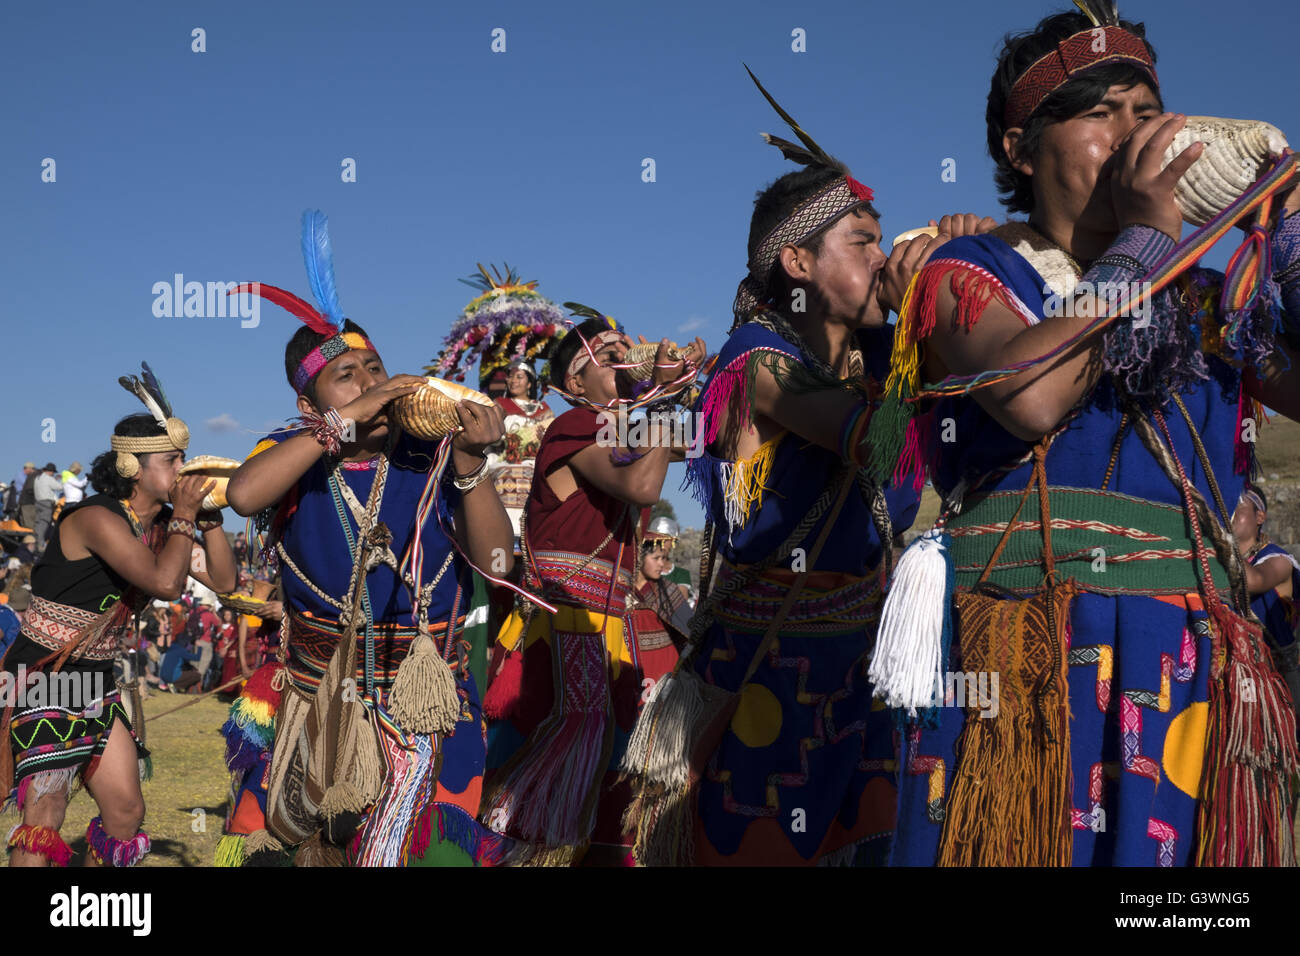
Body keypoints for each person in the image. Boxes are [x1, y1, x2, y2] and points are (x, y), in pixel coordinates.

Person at [876, 2, 1300, 867]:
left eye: (1148, 114)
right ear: (1018, 146)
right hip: (1026, 661)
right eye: (1101, 112)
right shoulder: (964, 272)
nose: (1135, 134)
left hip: (1180, 666)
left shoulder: (1204, 298)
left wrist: (1287, 232)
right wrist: (1146, 243)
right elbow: (1029, 393)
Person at [622, 72, 935, 866]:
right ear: (798, 261)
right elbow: (872, 442)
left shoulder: (867, 361)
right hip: (768, 672)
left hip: (857, 665)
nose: (883, 254)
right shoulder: (757, 358)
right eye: (862, 241)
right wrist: (924, 330)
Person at [223, 210, 515, 867]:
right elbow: (244, 495)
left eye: (375, 366)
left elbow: (496, 562)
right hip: (322, 695)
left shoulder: (430, 452)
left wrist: (471, 465)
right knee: (320, 845)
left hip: (424, 690)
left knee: (434, 849)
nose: (371, 381)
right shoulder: (294, 451)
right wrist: (349, 417)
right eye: (346, 375)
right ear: (311, 405)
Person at [481, 311, 706, 865]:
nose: (627, 363)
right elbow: (643, 480)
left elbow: (706, 439)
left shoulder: (620, 429)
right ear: (574, 386)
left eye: (629, 352)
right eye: (610, 360)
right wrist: (665, 400)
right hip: (564, 632)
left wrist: (693, 384)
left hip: (606, 631)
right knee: (536, 798)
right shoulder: (575, 425)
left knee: (605, 795)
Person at [2, 365, 237, 867]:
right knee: (46, 814)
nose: (184, 470)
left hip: (95, 684)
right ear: (132, 468)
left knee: (126, 812)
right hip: (44, 679)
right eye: (172, 461)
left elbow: (226, 583)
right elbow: (167, 584)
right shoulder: (96, 517)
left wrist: (210, 518)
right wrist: (187, 518)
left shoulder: (163, 530)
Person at [1231, 485, 1300, 704]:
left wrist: (1216, 543)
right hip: (1235, 674)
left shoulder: (1279, 560)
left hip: (1276, 681)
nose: (1229, 513)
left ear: (1259, 516)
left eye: (1237, 506)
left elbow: (1253, 580)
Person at [31, 463, 62, 551]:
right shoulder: (48, 478)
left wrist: (54, 480)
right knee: (44, 522)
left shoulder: (38, 478)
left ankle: (35, 540)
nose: (53, 474)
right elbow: (59, 487)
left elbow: (46, 486)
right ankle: (40, 543)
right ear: (51, 471)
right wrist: (62, 481)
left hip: (38, 501)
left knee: (38, 522)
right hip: (46, 503)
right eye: (53, 472)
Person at [16, 463, 36, 530]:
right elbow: (27, 486)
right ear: (27, 468)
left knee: (24, 519)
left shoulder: (26, 476)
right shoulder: (21, 476)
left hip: (24, 500)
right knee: (25, 519)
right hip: (21, 500)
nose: (32, 471)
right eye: (31, 469)